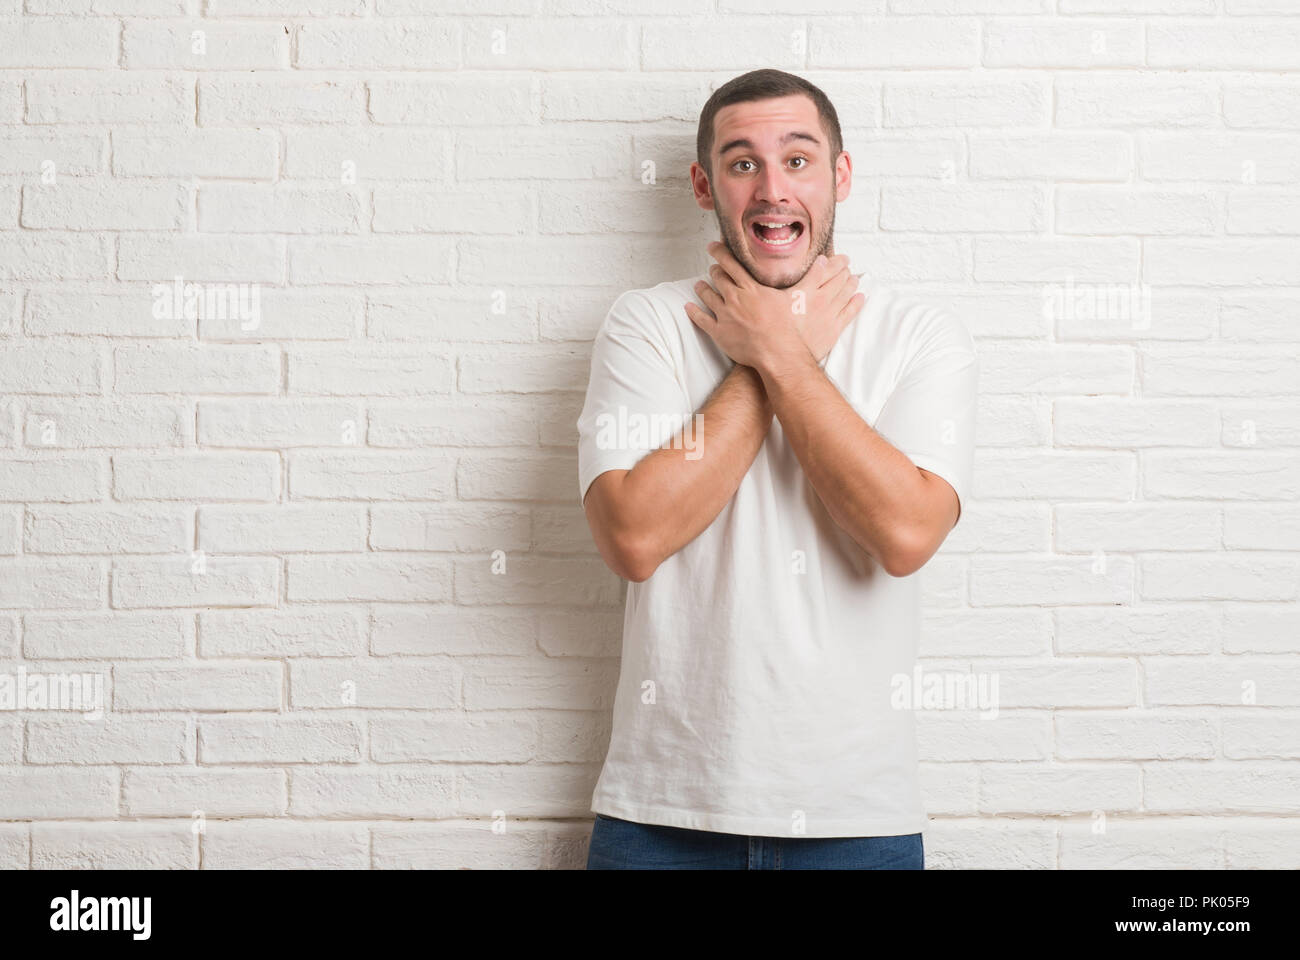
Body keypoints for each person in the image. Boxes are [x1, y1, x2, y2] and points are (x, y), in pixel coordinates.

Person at [576, 68, 979, 870]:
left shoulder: (918, 335)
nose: (771, 189)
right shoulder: (647, 324)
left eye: (797, 160)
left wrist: (779, 353)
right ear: (704, 184)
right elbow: (634, 535)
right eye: (741, 162)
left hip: (857, 819)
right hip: (663, 814)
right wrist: (776, 352)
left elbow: (904, 534)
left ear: (841, 176)